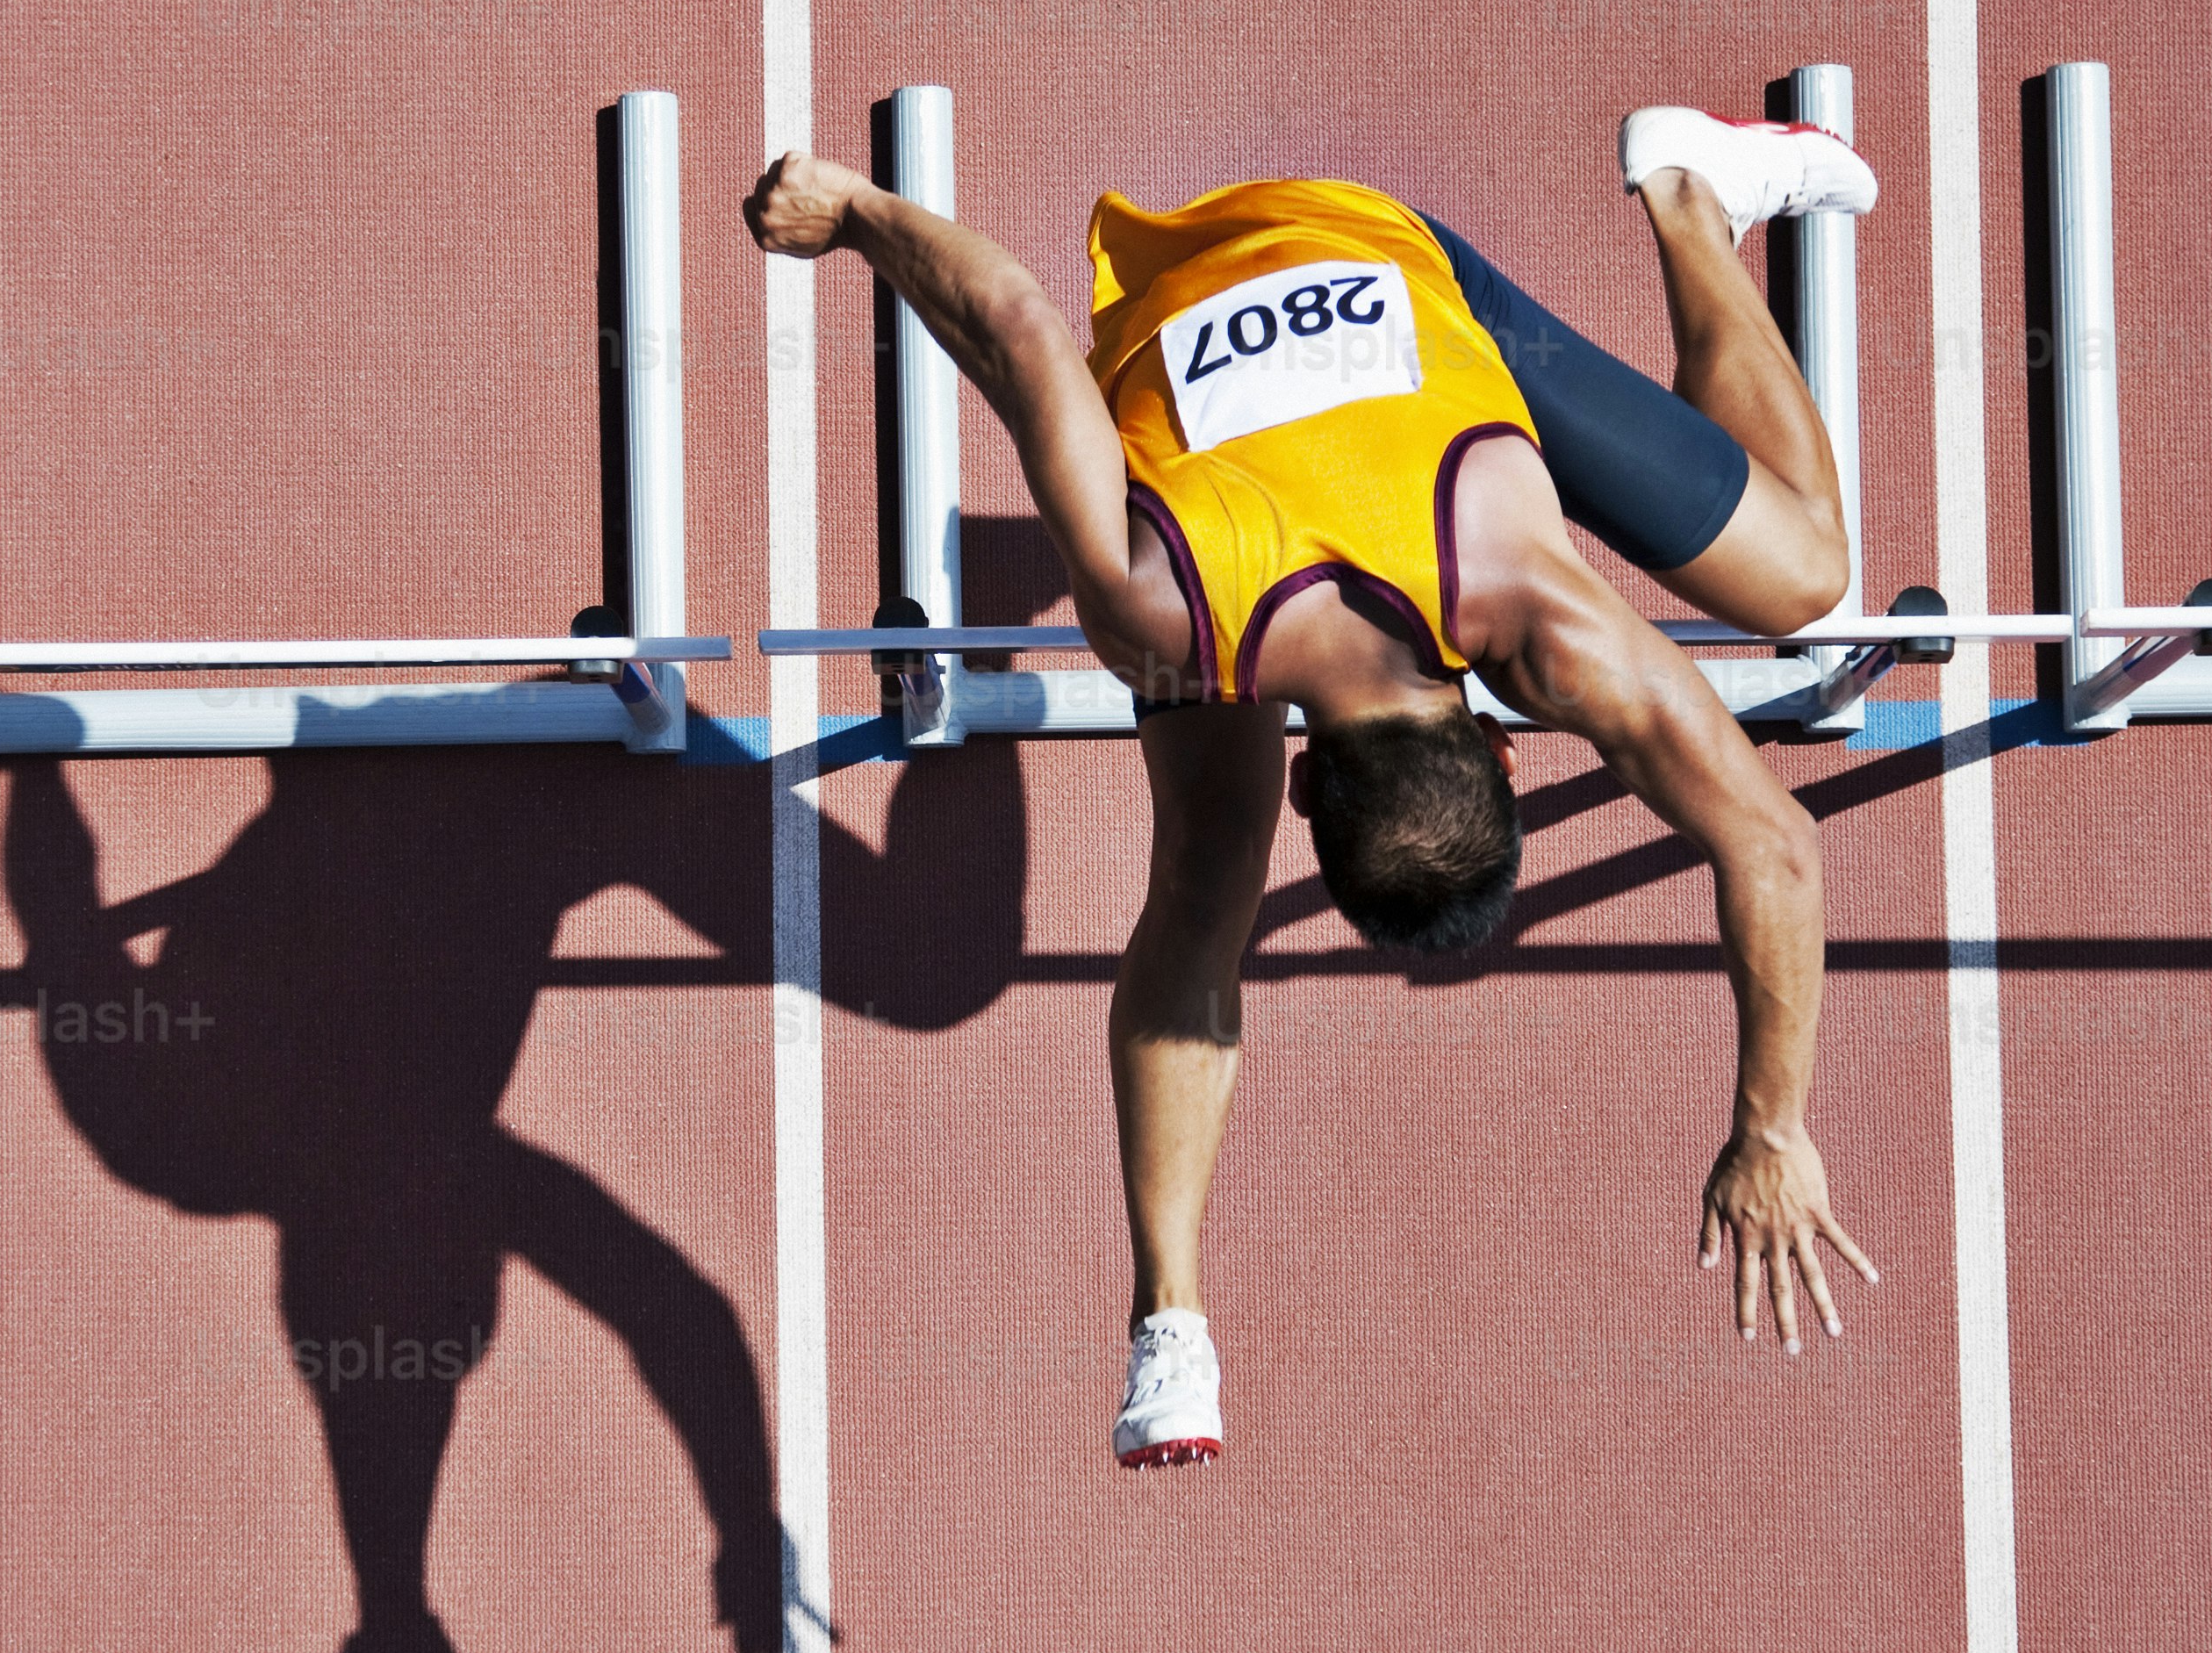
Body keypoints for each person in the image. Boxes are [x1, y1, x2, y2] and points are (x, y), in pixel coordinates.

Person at [743, 104, 1883, 1470]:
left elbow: (1771, 847)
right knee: (1204, 864)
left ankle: (1686, 195)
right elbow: (1019, 325)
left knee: (1810, 579)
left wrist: (1775, 1128)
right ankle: (1162, 1324)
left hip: (1359, 266)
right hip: (1248, 295)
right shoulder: (1150, 612)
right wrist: (852, 216)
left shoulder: (1541, 623)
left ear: (1506, 740)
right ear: (1307, 787)